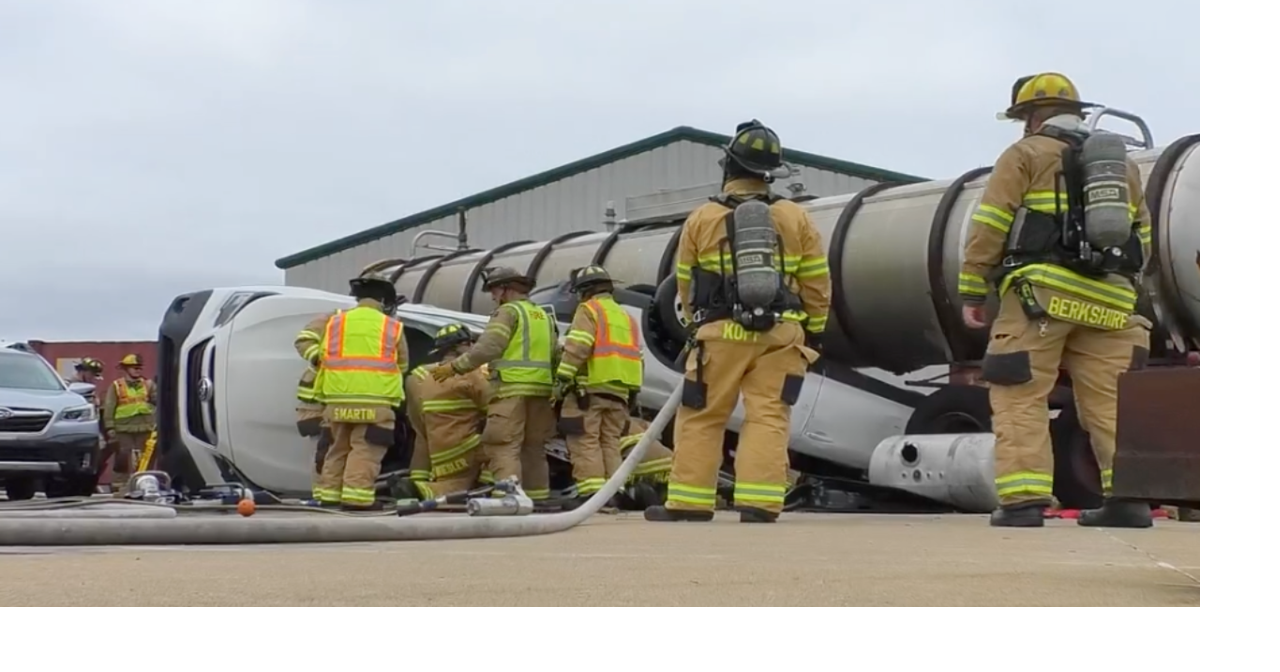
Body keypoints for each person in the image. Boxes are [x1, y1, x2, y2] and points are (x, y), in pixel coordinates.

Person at [959, 72, 1155, 529]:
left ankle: (1024, 502)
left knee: (1020, 392)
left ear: (1030, 117)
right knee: (1112, 403)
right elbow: (1141, 237)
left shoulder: (1025, 154)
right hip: (1111, 301)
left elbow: (991, 222)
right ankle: (1129, 499)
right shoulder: (1121, 166)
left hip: (1040, 297)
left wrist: (972, 287)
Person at [645, 120, 827, 524]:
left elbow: (686, 282)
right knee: (768, 416)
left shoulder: (702, 218)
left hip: (719, 333)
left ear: (729, 166)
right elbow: (817, 281)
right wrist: (813, 329)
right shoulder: (796, 217)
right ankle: (760, 503)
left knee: (703, 415)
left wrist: (698, 325)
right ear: (771, 172)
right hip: (782, 335)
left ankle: (690, 503)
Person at [431, 267, 558, 503]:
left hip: (511, 389)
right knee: (534, 447)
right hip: (540, 390)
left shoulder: (507, 312)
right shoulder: (542, 315)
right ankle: (538, 497)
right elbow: (555, 354)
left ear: (506, 289)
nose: (492, 296)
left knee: (503, 444)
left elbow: (489, 348)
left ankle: (507, 496)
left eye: (494, 290)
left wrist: (454, 367)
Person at [296, 276, 409, 511]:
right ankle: (357, 498)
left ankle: (329, 495)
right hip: (375, 401)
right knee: (366, 449)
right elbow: (403, 365)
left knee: (337, 447)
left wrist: (320, 359)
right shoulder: (392, 327)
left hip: (337, 399)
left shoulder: (335, 321)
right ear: (382, 301)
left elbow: (305, 341)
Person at [553, 265, 644, 510]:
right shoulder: (626, 318)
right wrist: (633, 393)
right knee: (610, 442)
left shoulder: (589, 309)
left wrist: (561, 380)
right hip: (620, 392)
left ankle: (592, 494)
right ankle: (615, 493)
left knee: (585, 440)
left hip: (588, 389)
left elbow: (578, 347)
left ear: (585, 291)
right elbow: (638, 357)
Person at [397, 323, 490, 500]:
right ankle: (490, 485)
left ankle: (418, 484)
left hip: (438, 453)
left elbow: (419, 424)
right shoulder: (470, 373)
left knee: (451, 479)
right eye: (470, 343)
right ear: (462, 346)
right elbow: (492, 406)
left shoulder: (424, 377)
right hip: (466, 449)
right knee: (505, 439)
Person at [294, 311, 339, 504]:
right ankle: (321, 496)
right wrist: (322, 359)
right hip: (317, 400)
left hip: (340, 396)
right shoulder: (334, 318)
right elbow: (304, 340)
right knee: (323, 449)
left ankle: (328, 494)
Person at [101, 354, 156, 494]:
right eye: (135, 368)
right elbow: (109, 407)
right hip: (123, 428)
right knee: (122, 458)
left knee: (145, 458)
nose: (138, 370)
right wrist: (110, 428)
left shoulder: (148, 385)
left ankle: (144, 483)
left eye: (140, 368)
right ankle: (119, 485)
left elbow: (157, 402)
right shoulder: (116, 386)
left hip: (145, 427)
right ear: (126, 369)